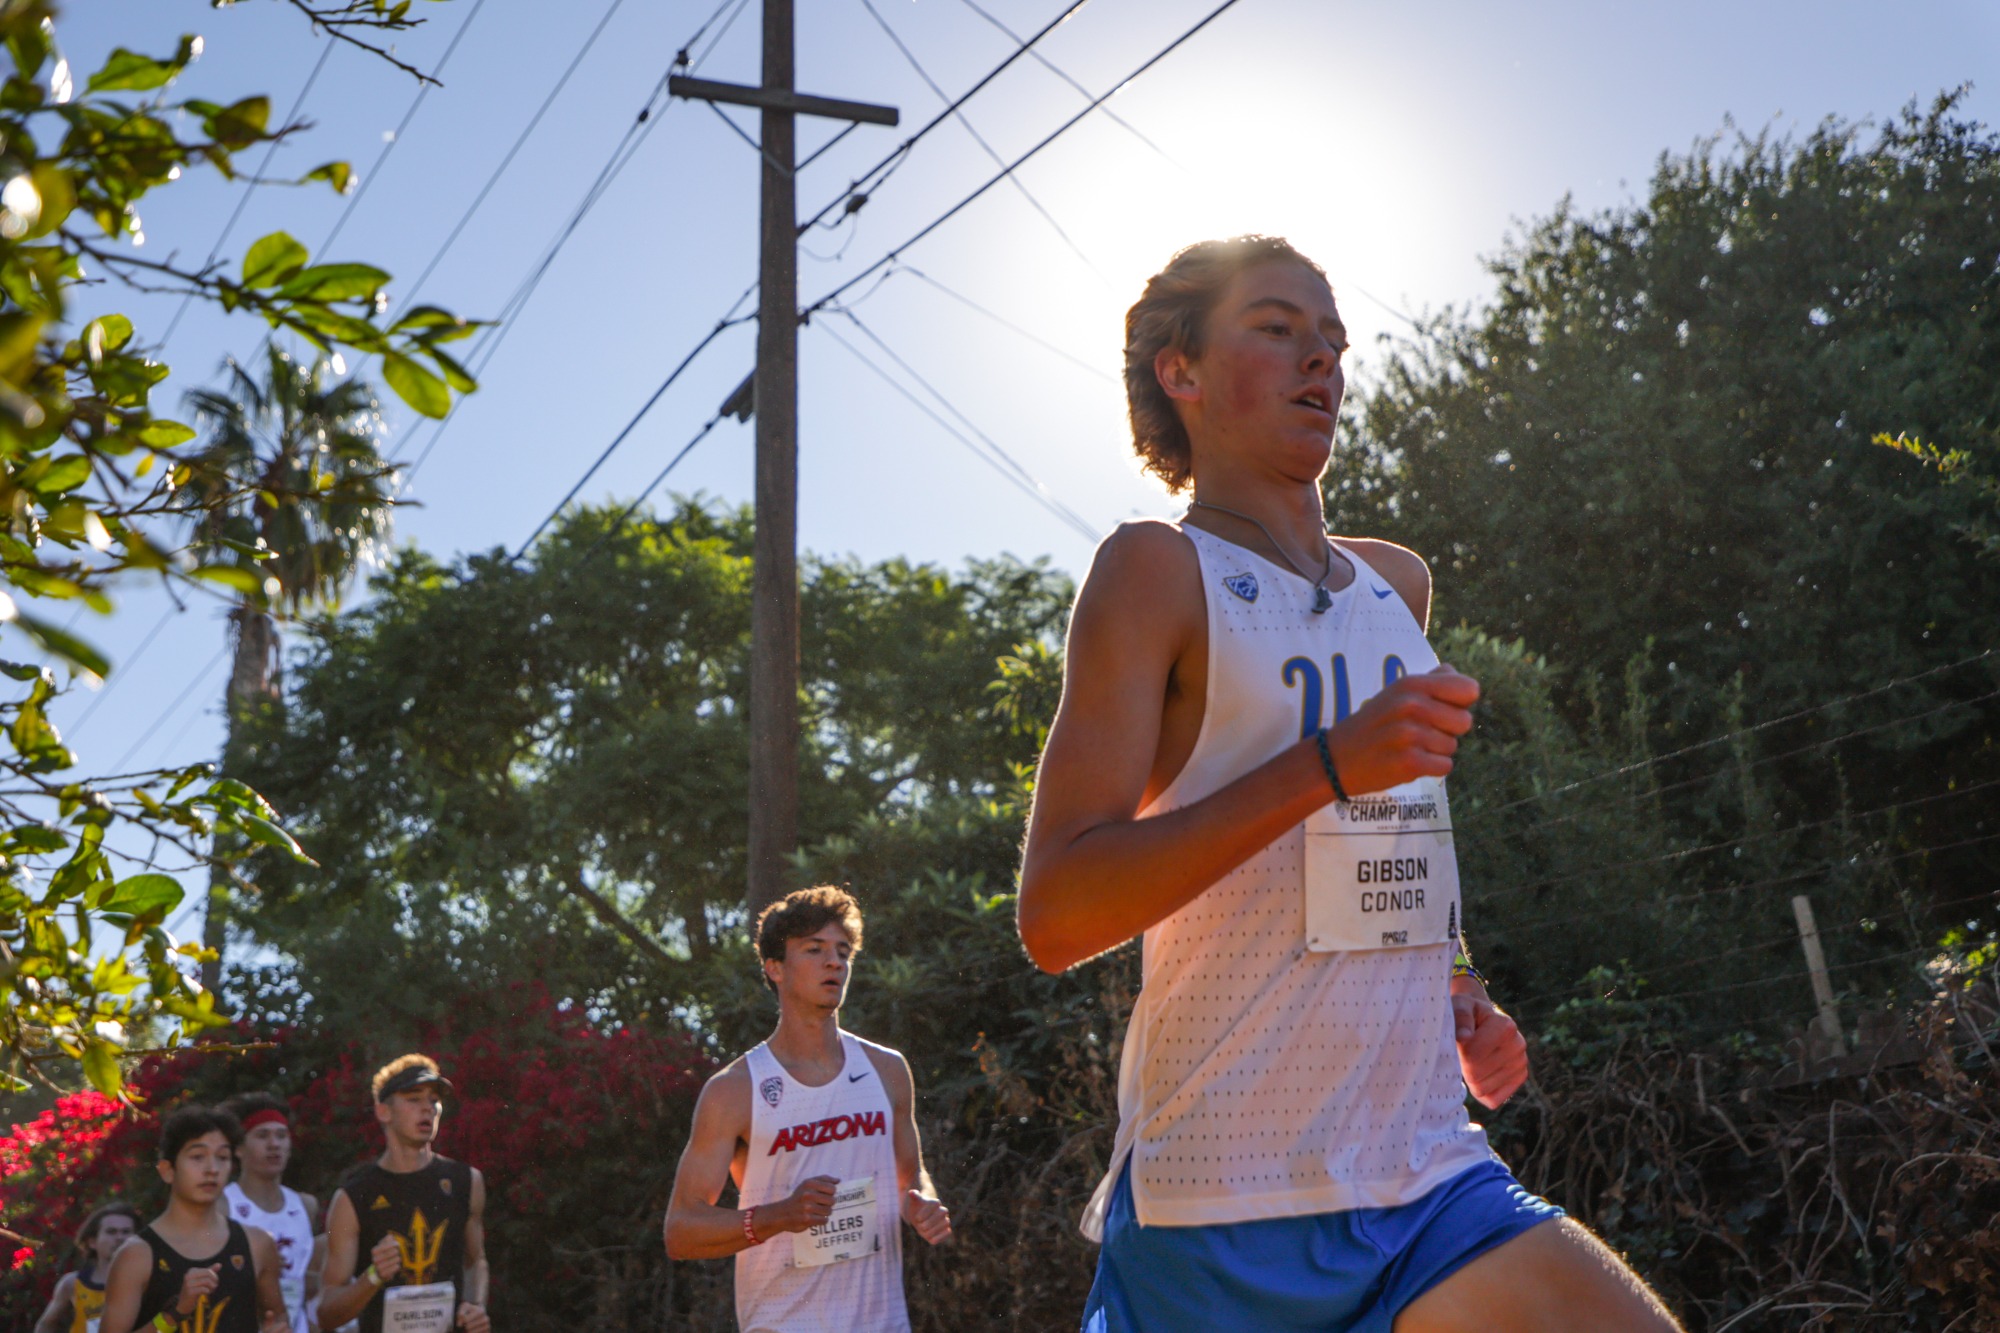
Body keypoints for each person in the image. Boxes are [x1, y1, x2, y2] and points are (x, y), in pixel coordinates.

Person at [1016, 235, 1683, 1332]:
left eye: (1330, 340)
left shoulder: (1394, 583)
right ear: (1178, 373)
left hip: (1421, 1169)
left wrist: (1454, 977)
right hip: (1221, 1200)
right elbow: (1055, 914)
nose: (1318, 360)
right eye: (1275, 330)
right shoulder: (1152, 572)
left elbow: (1388, 816)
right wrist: (1325, 761)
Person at [663, 886, 953, 1333]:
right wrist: (779, 1215)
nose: (834, 962)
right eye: (814, 950)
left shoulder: (887, 1070)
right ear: (775, 968)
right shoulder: (736, 1090)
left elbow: (910, 1177)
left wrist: (922, 1205)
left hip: (884, 1324)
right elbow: (681, 1231)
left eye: (843, 951)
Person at [316, 1056, 490, 1333]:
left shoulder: (466, 1181)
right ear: (384, 1112)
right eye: (413, 1099)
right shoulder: (354, 1196)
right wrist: (373, 1276)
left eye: (434, 1100)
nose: (428, 1109)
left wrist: (476, 1305)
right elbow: (326, 1314)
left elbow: (475, 1261)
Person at [99, 1106, 289, 1333]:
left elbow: (278, 1318)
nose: (212, 1169)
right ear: (167, 1170)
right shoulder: (137, 1255)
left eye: (222, 1157)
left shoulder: (257, 1243)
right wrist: (174, 1314)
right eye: (198, 1157)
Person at [219, 1094, 321, 1333]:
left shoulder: (306, 1205)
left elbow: (306, 1280)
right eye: (262, 1135)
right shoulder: (223, 1205)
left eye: (281, 1135)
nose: (274, 1144)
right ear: (239, 1149)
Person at [32, 1202, 139, 1333]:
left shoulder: (149, 1282)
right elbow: (45, 1325)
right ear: (92, 1242)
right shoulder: (73, 1283)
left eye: (126, 1232)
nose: (120, 1238)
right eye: (111, 1232)